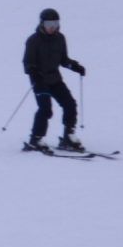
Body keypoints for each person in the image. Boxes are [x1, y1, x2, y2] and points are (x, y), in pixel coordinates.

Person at [21, 8, 86, 153]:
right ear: (42, 23)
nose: (52, 27)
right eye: (49, 23)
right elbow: (27, 63)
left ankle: (68, 136)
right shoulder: (33, 40)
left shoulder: (60, 38)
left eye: (55, 23)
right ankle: (36, 139)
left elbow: (63, 60)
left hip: (55, 79)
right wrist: (34, 74)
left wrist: (75, 66)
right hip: (39, 80)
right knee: (45, 109)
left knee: (70, 104)